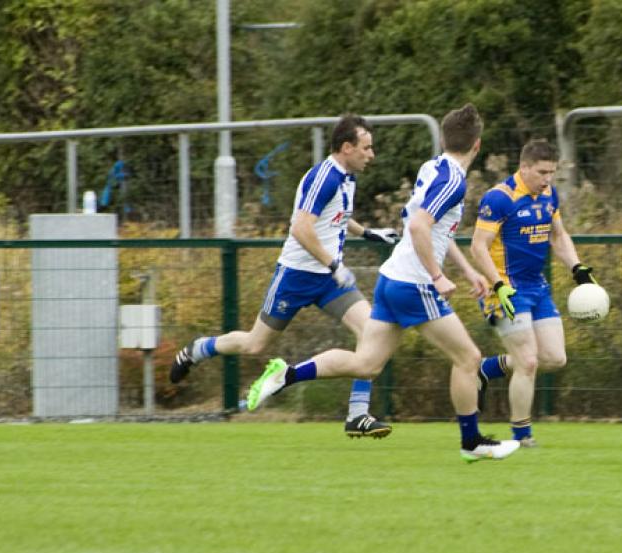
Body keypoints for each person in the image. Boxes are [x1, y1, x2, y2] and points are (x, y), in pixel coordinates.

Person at [246, 103, 520, 463]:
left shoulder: (432, 167)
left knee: (367, 364)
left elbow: (424, 224)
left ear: (442, 138)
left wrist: (469, 272)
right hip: (415, 283)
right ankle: (472, 443)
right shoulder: (454, 180)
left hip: (392, 279)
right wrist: (437, 277)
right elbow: (420, 226)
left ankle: (288, 374)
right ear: (477, 145)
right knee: (468, 358)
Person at [169, 114, 399, 438]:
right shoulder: (325, 177)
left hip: (329, 281)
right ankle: (197, 349)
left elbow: (337, 216)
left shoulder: (347, 177)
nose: (371, 154)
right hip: (296, 276)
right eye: (366, 147)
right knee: (254, 344)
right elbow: (301, 228)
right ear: (347, 147)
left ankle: (357, 415)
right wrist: (335, 265)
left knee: (371, 333)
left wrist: (368, 232)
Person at [470, 139, 597, 447]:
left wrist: (577, 268)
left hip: (537, 288)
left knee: (554, 358)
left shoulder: (549, 195)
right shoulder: (499, 198)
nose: (548, 179)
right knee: (527, 361)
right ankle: (522, 436)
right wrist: (498, 286)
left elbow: (558, 235)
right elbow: (477, 246)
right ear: (524, 168)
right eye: (542, 172)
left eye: (552, 172)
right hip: (505, 291)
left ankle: (485, 369)